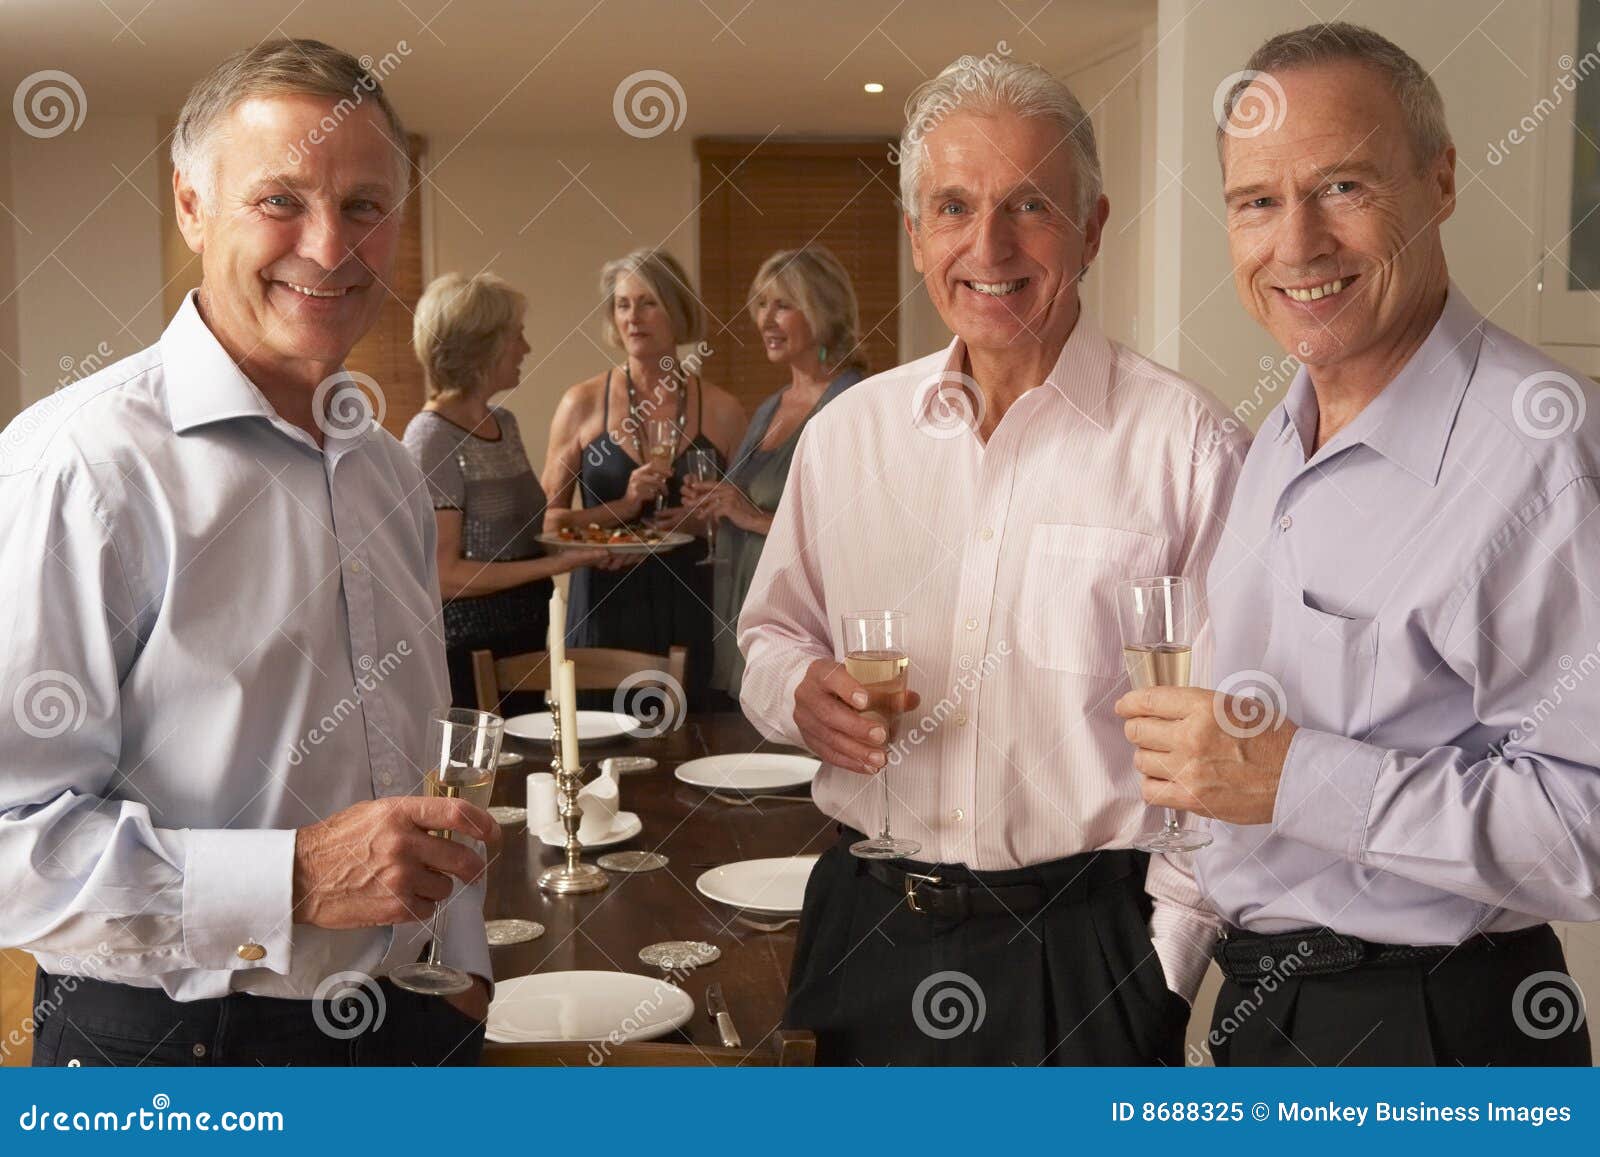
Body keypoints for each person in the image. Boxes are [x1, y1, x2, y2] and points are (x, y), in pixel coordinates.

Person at [738, 56, 1247, 1065]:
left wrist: (1162, 965)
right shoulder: (850, 437)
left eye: (1029, 206)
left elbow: (1227, 740)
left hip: (1082, 954)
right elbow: (768, 634)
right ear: (917, 233)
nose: (988, 244)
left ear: (1092, 227)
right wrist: (796, 689)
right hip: (868, 928)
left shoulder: (1190, 449)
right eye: (953, 206)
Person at [0, 40, 498, 1066]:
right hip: (172, 1048)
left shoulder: (387, 468)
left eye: (365, 207)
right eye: (281, 199)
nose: (328, 246)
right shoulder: (79, 468)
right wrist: (294, 880)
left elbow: (415, 755)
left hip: (407, 1024)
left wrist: (462, 956)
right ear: (191, 205)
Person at [1117, 23, 1597, 1066]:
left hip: (1432, 1035)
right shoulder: (1277, 440)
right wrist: (1164, 976)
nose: (1295, 245)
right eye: (1256, 201)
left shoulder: (1543, 453)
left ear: (1439, 182)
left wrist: (1293, 778)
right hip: (1263, 1013)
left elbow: (1591, 824)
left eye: (1341, 187)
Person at [404, 272, 619, 708]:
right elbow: (445, 577)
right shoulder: (432, 438)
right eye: (516, 336)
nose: (526, 349)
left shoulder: (504, 422)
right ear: (480, 345)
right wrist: (562, 566)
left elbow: (526, 532)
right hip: (466, 651)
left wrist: (619, 513)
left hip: (525, 636)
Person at [542, 249, 746, 708]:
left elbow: (748, 524)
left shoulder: (723, 410)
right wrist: (621, 510)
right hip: (603, 608)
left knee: (691, 752)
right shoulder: (581, 404)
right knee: (598, 760)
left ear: (677, 310)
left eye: (648, 302)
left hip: (691, 604)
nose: (633, 317)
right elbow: (550, 527)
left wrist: (705, 523)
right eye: (622, 305)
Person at [680, 247, 865, 701]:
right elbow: (745, 506)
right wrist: (709, 510)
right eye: (761, 305)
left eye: (782, 305)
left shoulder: (854, 402)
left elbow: (861, 532)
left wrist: (751, 517)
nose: (764, 320)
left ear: (823, 309)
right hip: (744, 620)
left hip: (806, 634)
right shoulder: (770, 406)